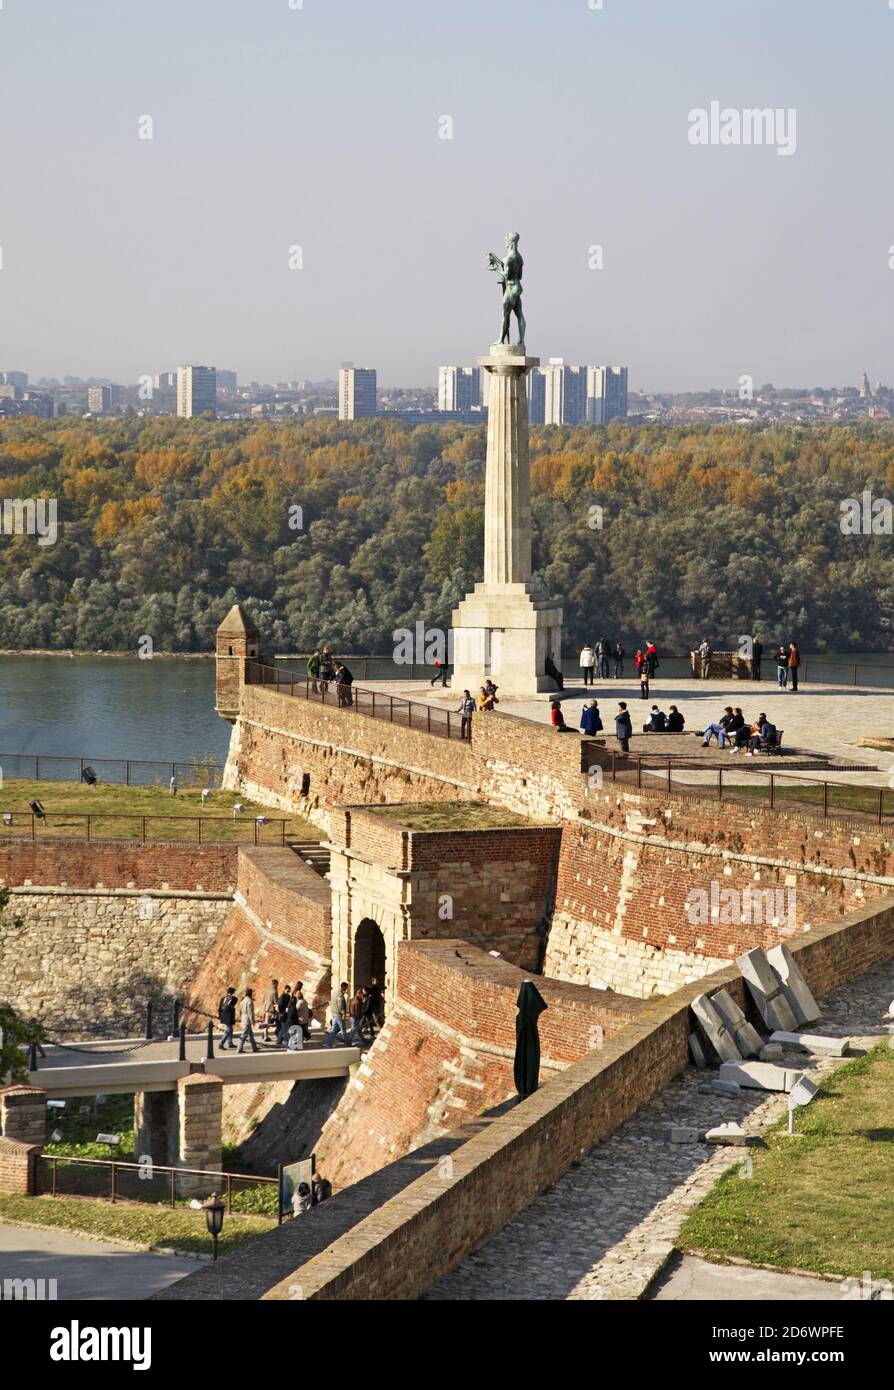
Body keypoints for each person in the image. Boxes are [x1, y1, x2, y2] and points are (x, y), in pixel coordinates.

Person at [325, 981, 351, 1048]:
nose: (346, 990)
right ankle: (348, 1044)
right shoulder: (340, 995)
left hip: (333, 1013)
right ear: (344, 987)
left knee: (333, 1029)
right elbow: (341, 1006)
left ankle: (329, 1043)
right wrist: (344, 1014)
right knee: (343, 1029)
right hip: (338, 1014)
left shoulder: (334, 992)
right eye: (346, 988)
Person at [237, 988, 259, 1053]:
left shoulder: (243, 1000)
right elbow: (250, 1013)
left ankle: (254, 1047)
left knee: (251, 1035)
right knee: (244, 1035)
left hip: (243, 1018)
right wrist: (253, 1021)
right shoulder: (249, 1001)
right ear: (251, 993)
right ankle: (239, 1048)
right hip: (247, 1020)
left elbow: (240, 1010)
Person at [260, 977, 278, 1043]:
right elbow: (276, 1002)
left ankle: (265, 1035)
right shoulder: (274, 991)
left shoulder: (266, 990)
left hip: (266, 1009)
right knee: (273, 1023)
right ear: (275, 984)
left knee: (266, 1022)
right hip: (272, 1009)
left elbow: (263, 1000)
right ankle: (266, 1036)